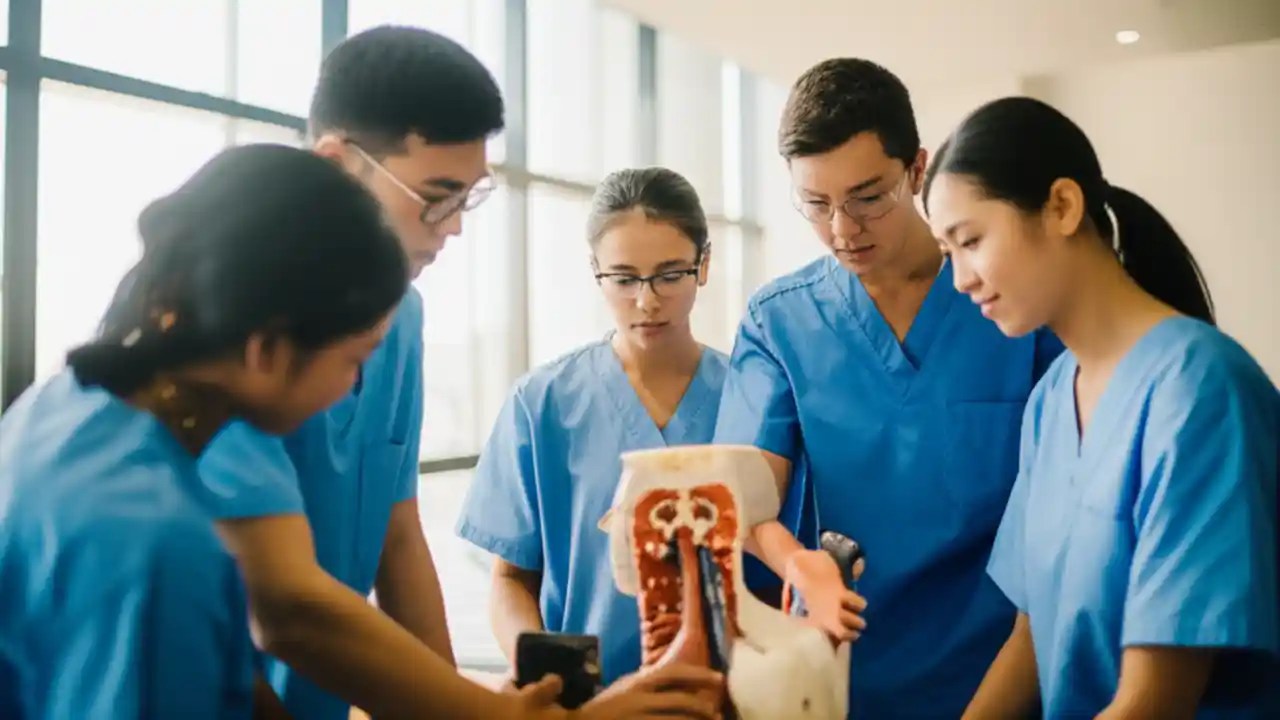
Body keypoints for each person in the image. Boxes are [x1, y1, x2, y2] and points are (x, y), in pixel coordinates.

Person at [196, 26, 721, 720]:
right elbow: (282, 610)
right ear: (338, 163)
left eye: (468, 199)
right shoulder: (234, 337)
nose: (453, 227)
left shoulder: (402, 319)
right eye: (436, 196)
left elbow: (399, 533)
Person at [0, 144, 409, 718]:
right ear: (266, 350)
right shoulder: (162, 543)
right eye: (354, 359)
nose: (353, 385)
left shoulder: (59, 406)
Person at [712, 58, 1065, 718]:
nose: (844, 229)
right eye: (816, 205)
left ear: (918, 170)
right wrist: (795, 562)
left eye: (869, 197)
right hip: (841, 671)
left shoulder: (1008, 303)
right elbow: (746, 493)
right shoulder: (780, 320)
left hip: (1001, 673)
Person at [924, 96, 1279, 719]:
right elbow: (1032, 636)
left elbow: (1153, 701)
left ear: (1062, 206)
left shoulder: (1199, 389)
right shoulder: (1051, 402)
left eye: (971, 240)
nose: (960, 279)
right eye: (947, 252)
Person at [456, 167, 729, 684]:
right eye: (623, 278)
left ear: (704, 264)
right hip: (589, 701)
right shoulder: (543, 403)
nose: (646, 301)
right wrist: (547, 677)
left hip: (726, 697)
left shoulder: (750, 397)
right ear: (595, 270)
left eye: (670, 274)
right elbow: (511, 580)